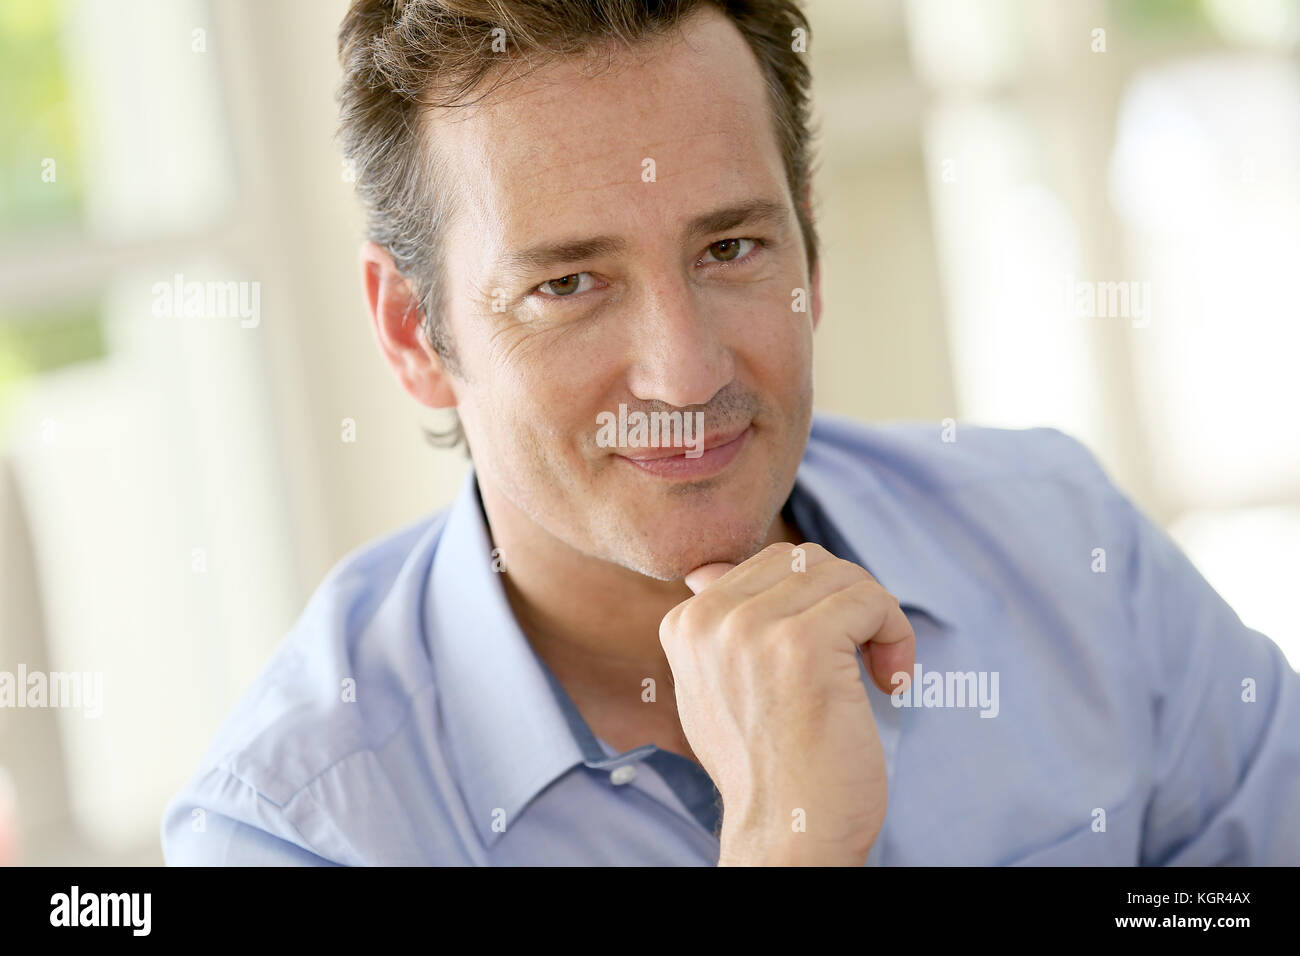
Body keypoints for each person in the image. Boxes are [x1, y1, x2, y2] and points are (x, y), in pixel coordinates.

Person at [161, 0, 1300, 865]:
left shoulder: (1064, 547)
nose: (686, 369)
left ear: (810, 240)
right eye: (567, 283)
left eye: (729, 250)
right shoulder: (299, 833)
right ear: (415, 333)